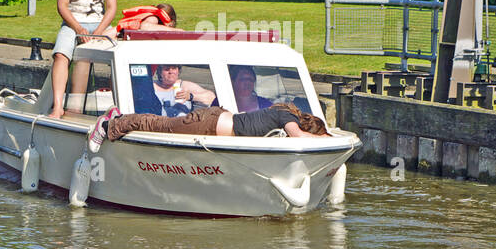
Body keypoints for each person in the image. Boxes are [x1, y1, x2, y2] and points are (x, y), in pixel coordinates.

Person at [48, 0, 117, 118]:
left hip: (99, 24)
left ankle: (119, 108)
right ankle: (58, 106)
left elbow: (111, 8)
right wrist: (79, 28)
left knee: (119, 48)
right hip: (73, 23)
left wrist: (99, 32)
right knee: (61, 54)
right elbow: (62, 6)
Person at [100, 102, 330, 142]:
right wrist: (324, 139)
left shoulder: (284, 113)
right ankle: (113, 123)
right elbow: (298, 136)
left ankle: (119, 119)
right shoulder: (287, 118)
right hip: (207, 124)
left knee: (165, 124)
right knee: (162, 125)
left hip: (216, 120)